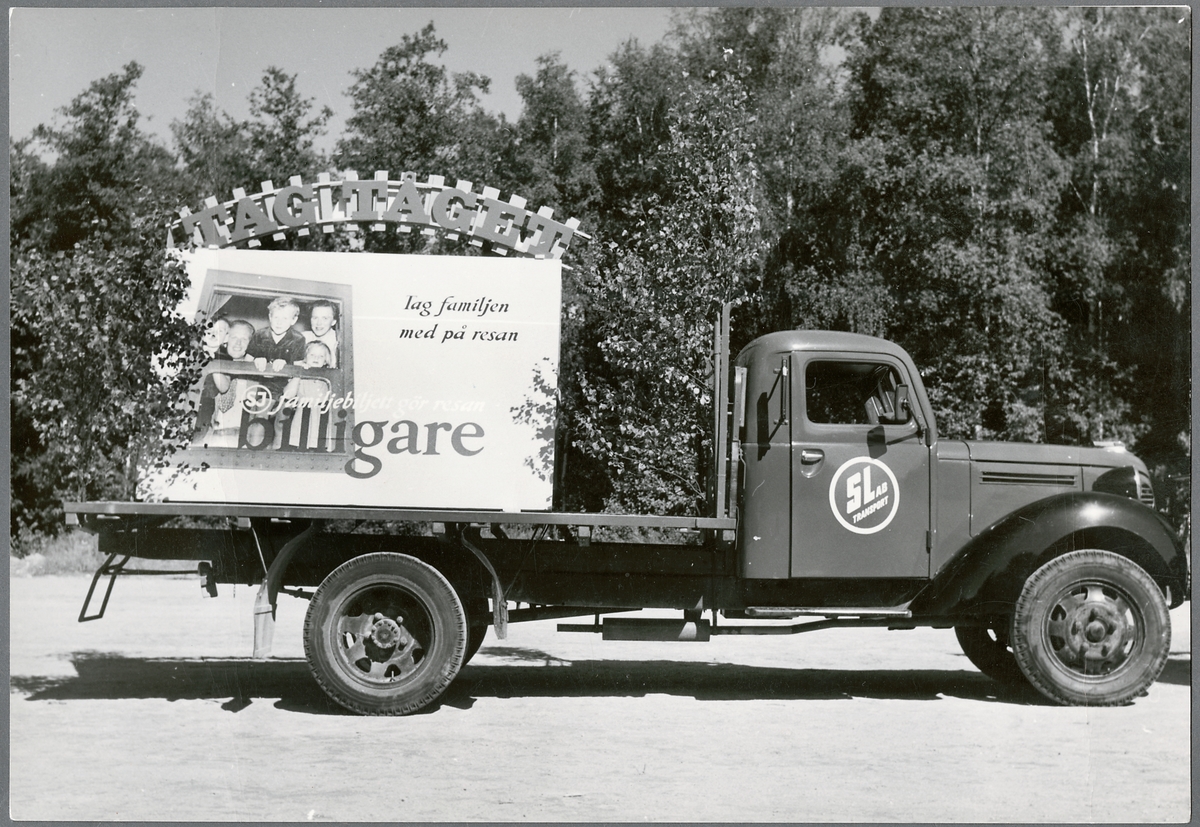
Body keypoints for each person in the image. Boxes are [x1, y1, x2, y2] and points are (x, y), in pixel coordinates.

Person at [197, 321, 256, 448]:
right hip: (208, 436)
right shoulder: (208, 360)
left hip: (243, 439)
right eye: (234, 337)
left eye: (244, 339)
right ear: (225, 339)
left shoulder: (256, 372)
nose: (238, 343)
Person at [248, 296, 307, 370]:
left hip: (284, 380)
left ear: (293, 320)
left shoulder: (298, 339)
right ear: (270, 317)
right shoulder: (259, 335)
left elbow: (298, 368)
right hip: (258, 379)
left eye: (285, 318)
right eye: (276, 317)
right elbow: (248, 360)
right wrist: (255, 361)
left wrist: (286, 364)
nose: (279, 322)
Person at [303, 300, 339, 368]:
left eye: (325, 318)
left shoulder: (339, 341)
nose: (319, 323)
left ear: (333, 321)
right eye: (315, 318)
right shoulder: (302, 338)